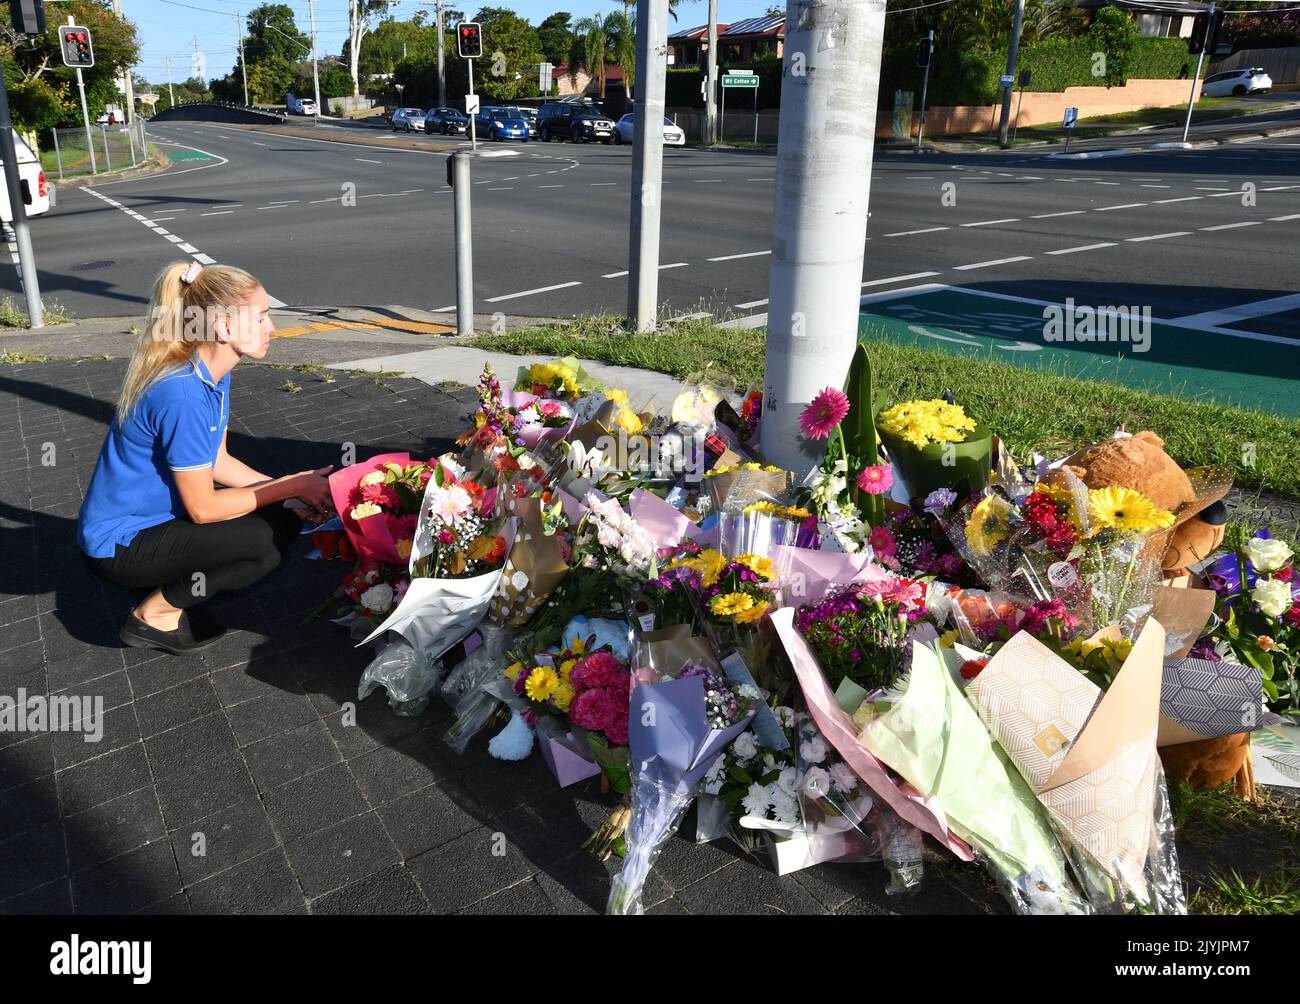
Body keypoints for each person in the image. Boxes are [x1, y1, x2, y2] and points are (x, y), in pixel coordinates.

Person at [77, 261, 335, 655]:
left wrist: (289, 493)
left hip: (153, 525)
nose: (273, 328)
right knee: (263, 542)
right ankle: (154, 614)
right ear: (225, 328)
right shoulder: (182, 393)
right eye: (262, 317)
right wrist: (292, 484)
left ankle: (165, 586)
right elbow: (203, 509)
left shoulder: (211, 371)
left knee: (283, 517)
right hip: (120, 546)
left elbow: (218, 463)